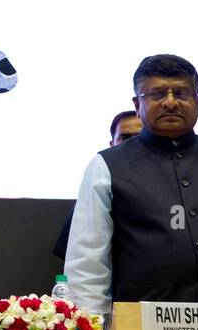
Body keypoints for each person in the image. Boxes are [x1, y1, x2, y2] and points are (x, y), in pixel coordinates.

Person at [66, 54, 198, 316]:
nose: (170, 102)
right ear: (137, 103)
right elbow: (88, 266)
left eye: (181, 93)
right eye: (157, 94)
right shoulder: (106, 166)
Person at [52, 110, 143, 260]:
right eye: (125, 137)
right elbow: (79, 256)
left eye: (139, 137)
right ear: (112, 144)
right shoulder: (99, 186)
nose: (133, 144)